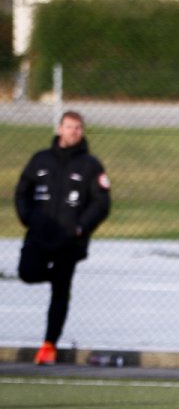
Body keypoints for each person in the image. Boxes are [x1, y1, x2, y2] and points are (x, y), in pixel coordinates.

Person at [13, 111, 111, 365]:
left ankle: (49, 345)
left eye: (78, 128)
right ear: (59, 129)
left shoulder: (91, 165)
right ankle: (54, 275)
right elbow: (22, 191)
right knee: (27, 272)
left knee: (60, 292)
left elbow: (101, 203)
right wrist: (28, 218)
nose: (73, 132)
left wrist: (81, 227)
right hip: (40, 235)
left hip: (69, 241)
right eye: (69, 127)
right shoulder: (40, 160)